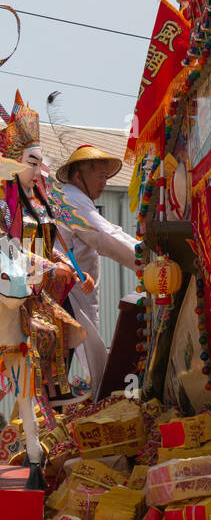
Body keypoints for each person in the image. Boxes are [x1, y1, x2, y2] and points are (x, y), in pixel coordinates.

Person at [0, 92, 91, 402]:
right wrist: (55, 268)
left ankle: (46, 410)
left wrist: (75, 270)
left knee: (68, 330)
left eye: (40, 163)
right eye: (32, 163)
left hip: (40, 292)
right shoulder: (3, 206)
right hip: (12, 294)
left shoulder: (36, 205)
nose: (38, 171)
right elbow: (10, 252)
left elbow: (47, 245)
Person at [56, 144, 137, 394]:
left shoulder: (75, 198)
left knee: (63, 362)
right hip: (65, 293)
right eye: (100, 176)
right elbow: (104, 235)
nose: (104, 183)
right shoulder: (71, 200)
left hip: (73, 293)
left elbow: (107, 232)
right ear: (79, 175)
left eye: (106, 177)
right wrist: (147, 256)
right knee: (60, 363)